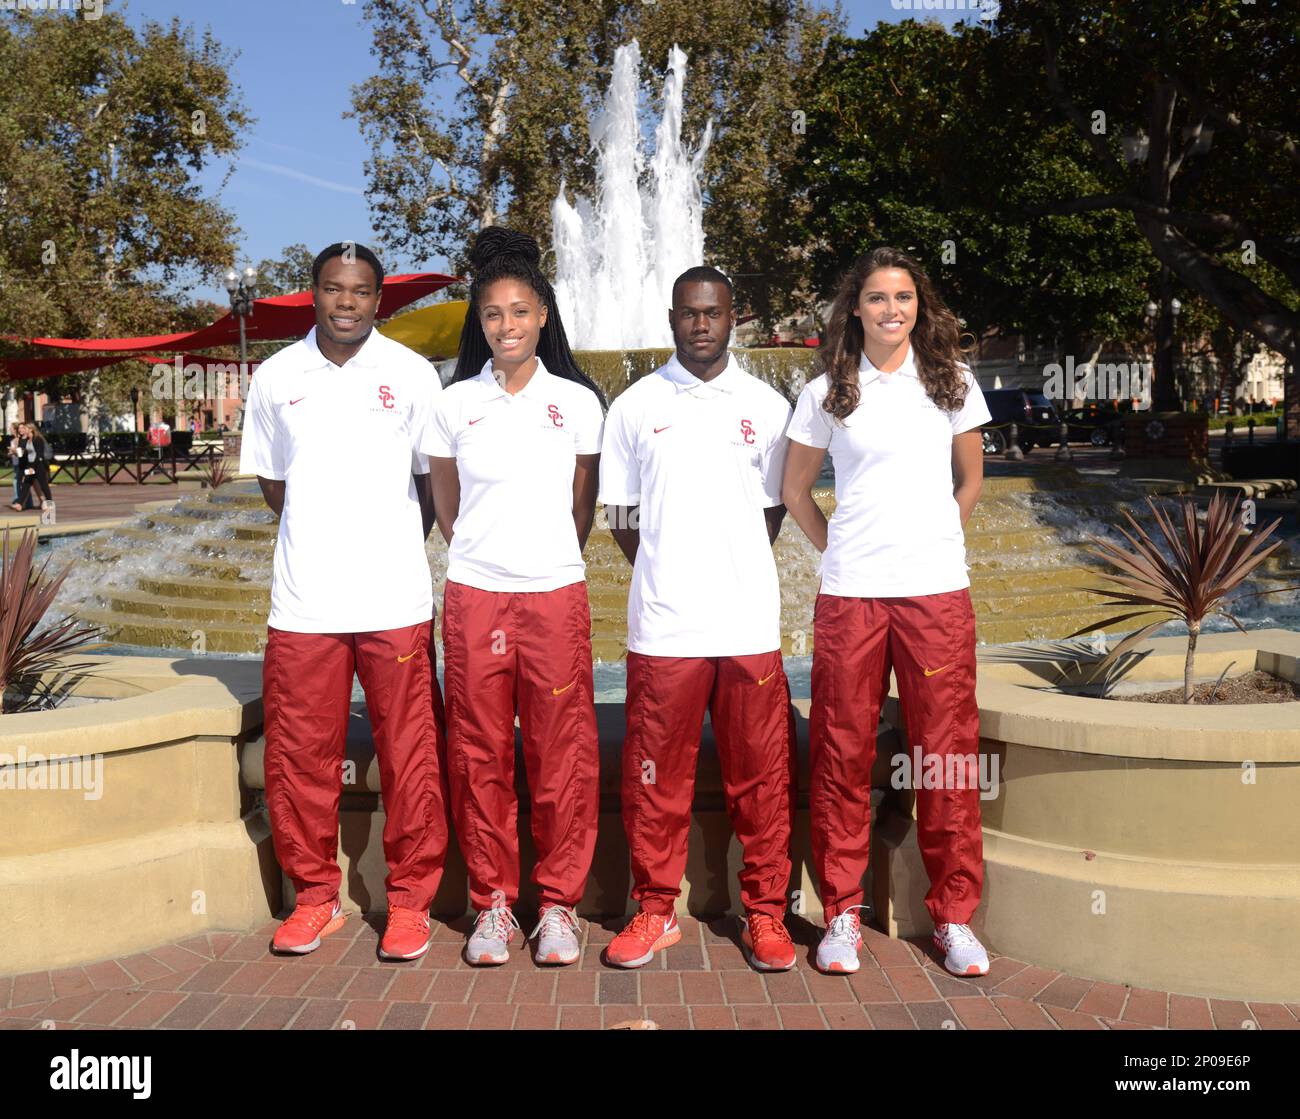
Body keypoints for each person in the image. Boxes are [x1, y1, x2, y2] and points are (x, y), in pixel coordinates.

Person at [781, 246, 992, 977]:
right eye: (877, 298)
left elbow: (970, 479)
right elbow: (796, 489)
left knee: (946, 752)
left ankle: (954, 916)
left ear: (919, 305)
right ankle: (840, 911)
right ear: (856, 308)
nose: (891, 309)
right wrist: (838, 545)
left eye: (903, 297)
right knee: (841, 750)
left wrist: (935, 538)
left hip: (935, 592)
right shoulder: (827, 391)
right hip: (852, 595)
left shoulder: (953, 382)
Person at [240, 241, 449, 962]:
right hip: (304, 605)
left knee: (410, 755)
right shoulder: (274, 376)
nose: (347, 302)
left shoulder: (413, 374)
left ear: (379, 298)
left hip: (393, 601)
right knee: (300, 756)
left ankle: (410, 901)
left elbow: (431, 482)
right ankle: (316, 897)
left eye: (361, 291)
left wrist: (385, 541)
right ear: (315, 293)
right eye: (334, 289)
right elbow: (275, 483)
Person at [600, 266, 798, 972]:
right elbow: (622, 516)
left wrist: (728, 560)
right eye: (689, 313)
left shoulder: (769, 407)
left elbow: (773, 509)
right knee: (655, 778)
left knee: (761, 778)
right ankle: (655, 910)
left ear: (733, 316)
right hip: (665, 629)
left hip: (747, 626)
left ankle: (767, 913)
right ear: (672, 318)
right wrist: (667, 564)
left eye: (713, 312)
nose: (702, 324)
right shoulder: (633, 406)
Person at [423, 227, 605, 967]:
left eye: (520, 311)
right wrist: (488, 554)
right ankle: (494, 903)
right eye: (493, 313)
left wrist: (543, 556)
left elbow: (584, 506)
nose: (506, 325)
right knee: (480, 751)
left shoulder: (579, 402)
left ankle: (558, 904)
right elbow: (445, 504)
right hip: (475, 596)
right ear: (480, 322)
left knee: (564, 752)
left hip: (554, 595)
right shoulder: (452, 404)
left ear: (543, 317)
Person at [11, 422, 53, 512]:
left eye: (25, 428)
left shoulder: (38, 439)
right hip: (31, 466)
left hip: (39, 466)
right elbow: (26, 453)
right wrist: (16, 451)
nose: (23, 430)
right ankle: (20, 504)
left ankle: (50, 504)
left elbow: (39, 455)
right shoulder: (28, 440)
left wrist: (32, 467)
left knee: (44, 485)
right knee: (26, 484)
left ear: (31, 429)